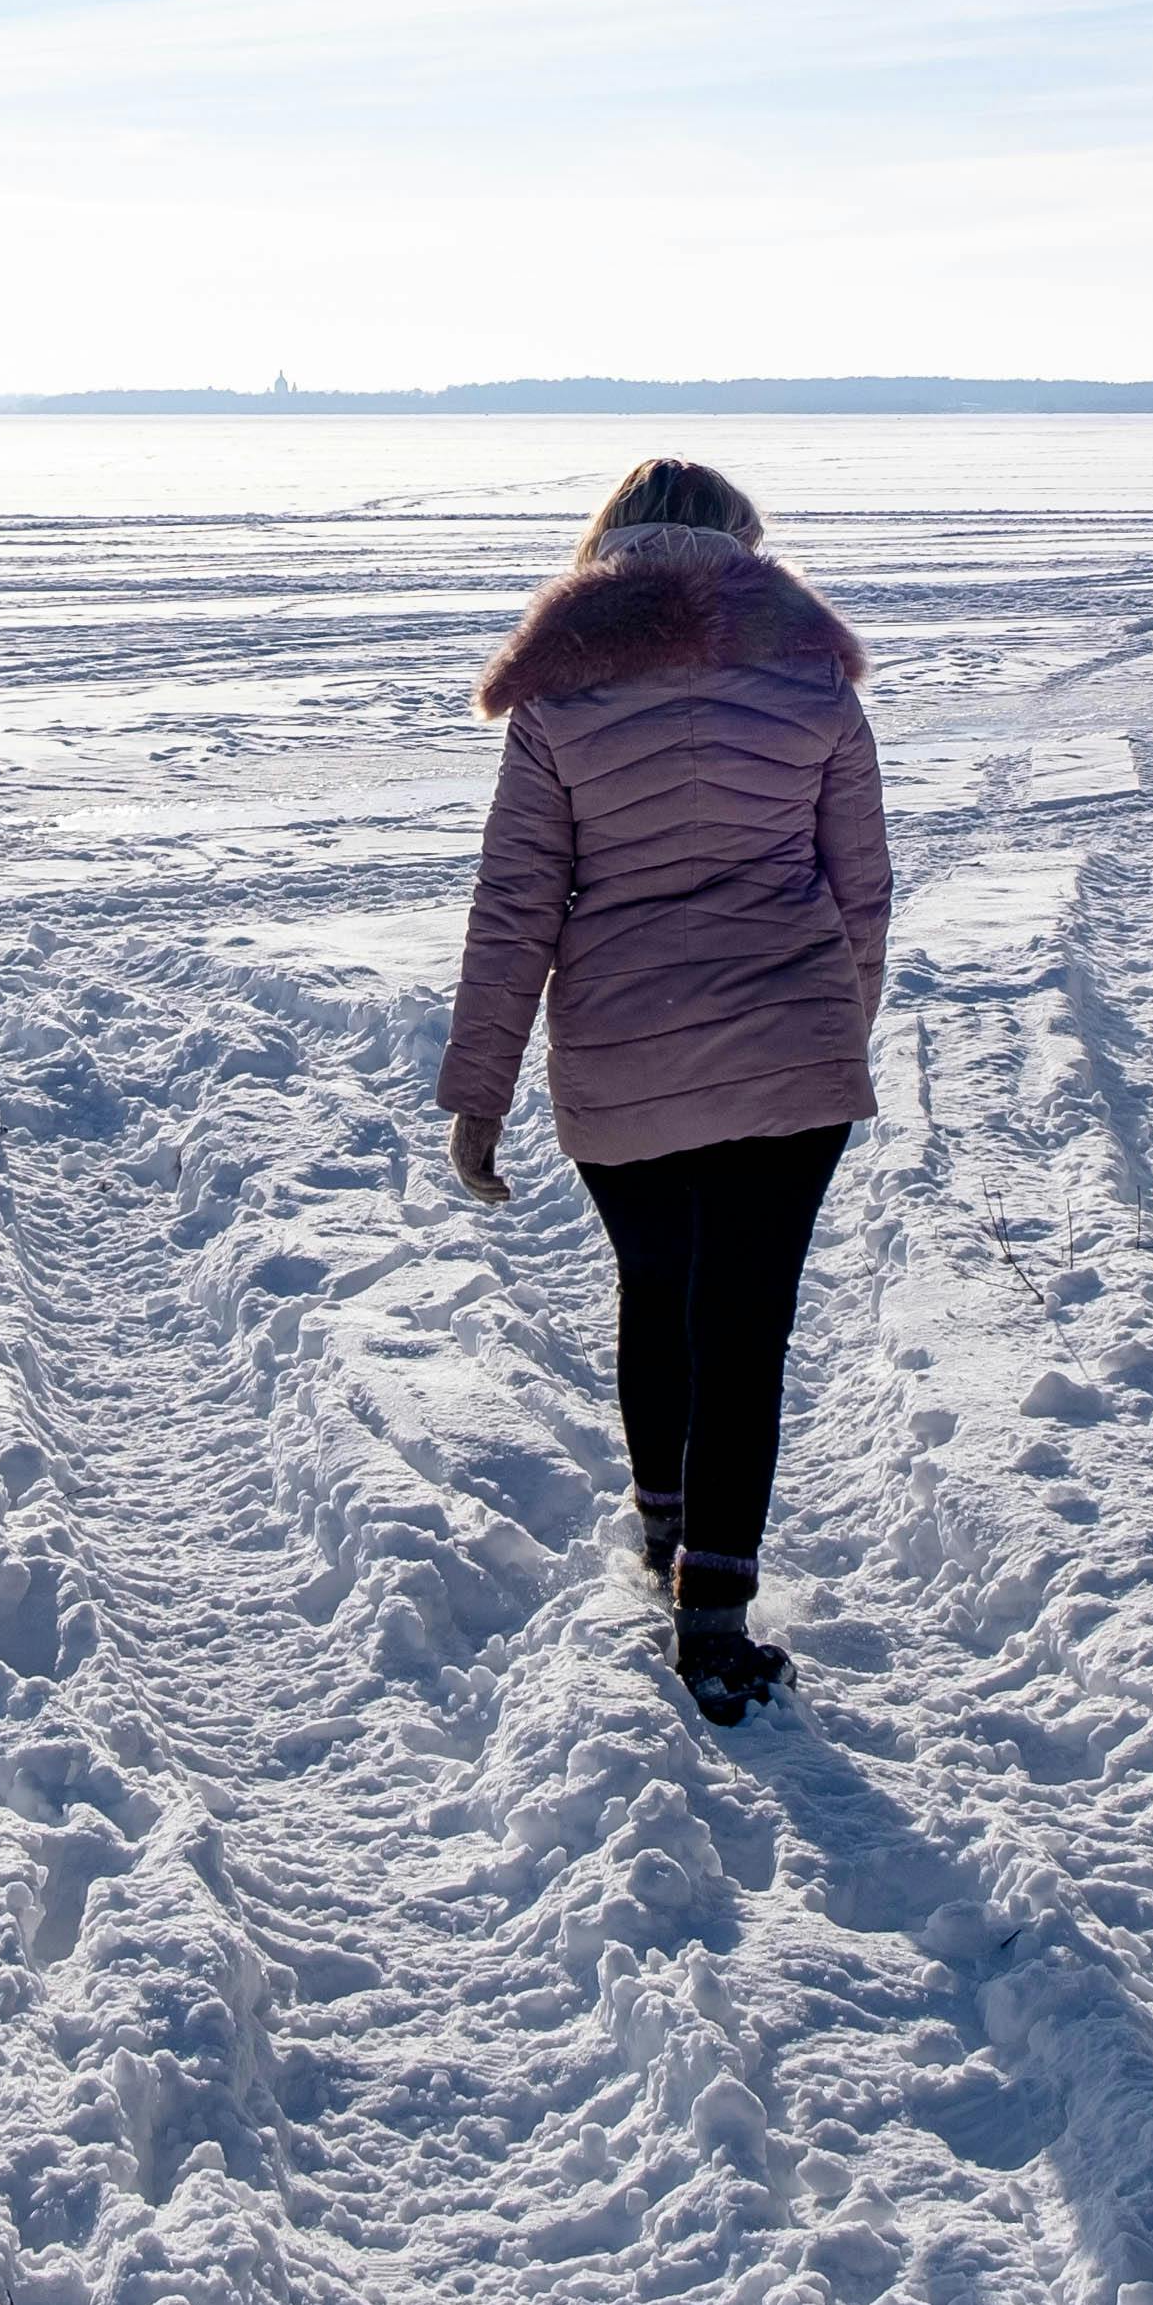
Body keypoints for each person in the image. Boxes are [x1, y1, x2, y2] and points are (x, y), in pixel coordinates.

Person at [442, 456, 889, 1726]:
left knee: (658, 1293)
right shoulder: (812, 676)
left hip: (621, 1049)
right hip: (789, 1049)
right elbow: (861, 885)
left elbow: (516, 902)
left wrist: (481, 1091)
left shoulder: (560, 687)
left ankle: (664, 1538)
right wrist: (830, 1032)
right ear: (744, 549)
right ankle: (715, 1618)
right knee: (744, 1326)